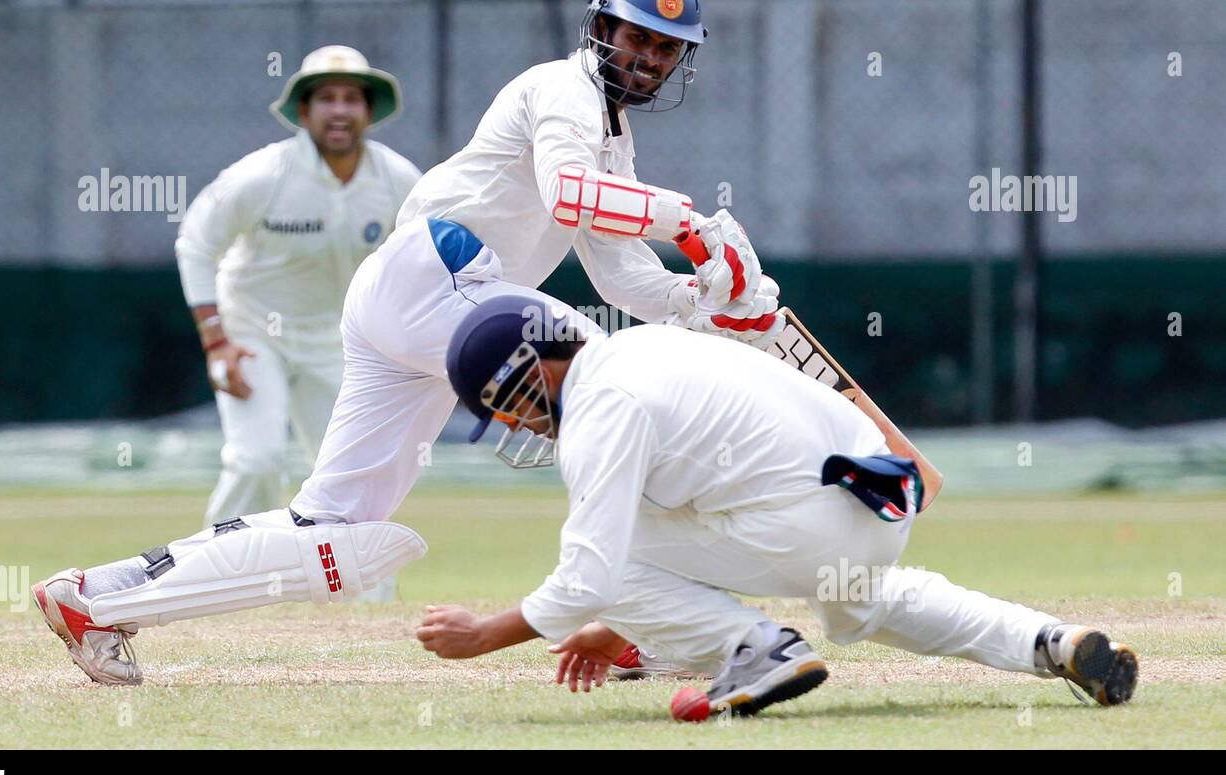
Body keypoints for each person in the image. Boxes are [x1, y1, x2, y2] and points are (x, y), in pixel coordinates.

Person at [32, 0, 783, 685]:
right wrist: (691, 222)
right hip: (442, 278)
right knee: (622, 396)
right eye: (636, 36)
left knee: (331, 532)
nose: (648, 58)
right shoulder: (561, 89)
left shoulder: (614, 137)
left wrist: (704, 300)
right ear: (600, 27)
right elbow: (568, 196)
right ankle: (650, 630)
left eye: (664, 47)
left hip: (420, 301)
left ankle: (95, 599)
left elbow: (621, 274)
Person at [416, 296, 1140, 715]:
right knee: (864, 603)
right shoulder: (644, 344)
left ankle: (756, 651)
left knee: (603, 553)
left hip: (804, 519)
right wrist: (623, 627)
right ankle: (1052, 642)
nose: (516, 424)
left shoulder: (601, 408)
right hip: (882, 493)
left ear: (537, 367)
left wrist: (482, 635)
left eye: (507, 405)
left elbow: (591, 577)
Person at [176, 45, 421, 541]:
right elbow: (196, 244)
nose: (339, 110)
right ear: (303, 112)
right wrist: (217, 342)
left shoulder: (398, 180)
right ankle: (213, 578)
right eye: (326, 98)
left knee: (358, 477)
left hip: (342, 344)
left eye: (352, 98)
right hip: (252, 335)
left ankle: (370, 608)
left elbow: (423, 260)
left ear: (368, 112)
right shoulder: (261, 175)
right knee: (256, 461)